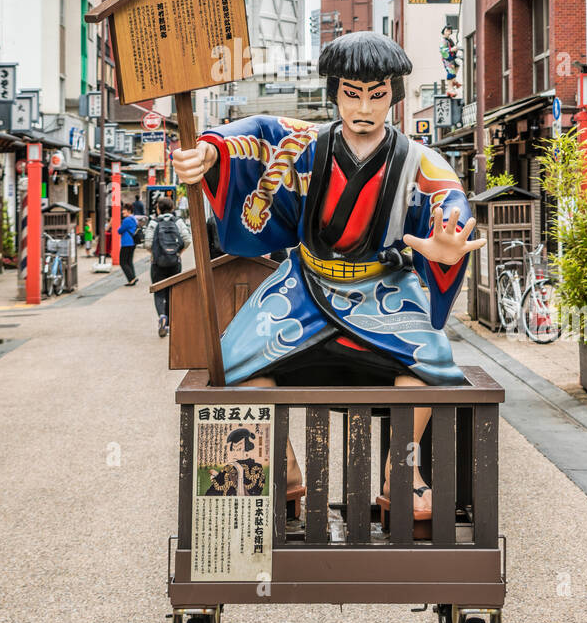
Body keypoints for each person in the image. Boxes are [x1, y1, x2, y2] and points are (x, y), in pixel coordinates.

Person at [172, 30, 485, 521]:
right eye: (352, 93)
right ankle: (279, 468)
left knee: (431, 360)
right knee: (232, 362)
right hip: (305, 283)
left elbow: (449, 202)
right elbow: (254, 134)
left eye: (377, 94)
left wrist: (446, 248)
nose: (364, 107)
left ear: (393, 96)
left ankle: (400, 471)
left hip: (383, 286)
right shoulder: (305, 146)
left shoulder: (419, 161)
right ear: (335, 91)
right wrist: (212, 154)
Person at [145, 195, 191, 337]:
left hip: (157, 263)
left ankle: (162, 317)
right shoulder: (178, 222)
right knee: (173, 291)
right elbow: (187, 240)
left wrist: (154, 253)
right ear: (172, 208)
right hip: (174, 262)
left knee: (159, 292)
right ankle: (170, 322)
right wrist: (178, 252)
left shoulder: (154, 222)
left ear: (158, 209)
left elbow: (147, 243)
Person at [117, 202, 139, 285]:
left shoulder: (126, 220)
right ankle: (133, 277)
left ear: (129, 211)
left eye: (124, 210)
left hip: (126, 243)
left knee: (123, 262)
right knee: (129, 261)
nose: (122, 212)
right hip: (133, 243)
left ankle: (131, 278)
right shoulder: (134, 219)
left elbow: (119, 231)